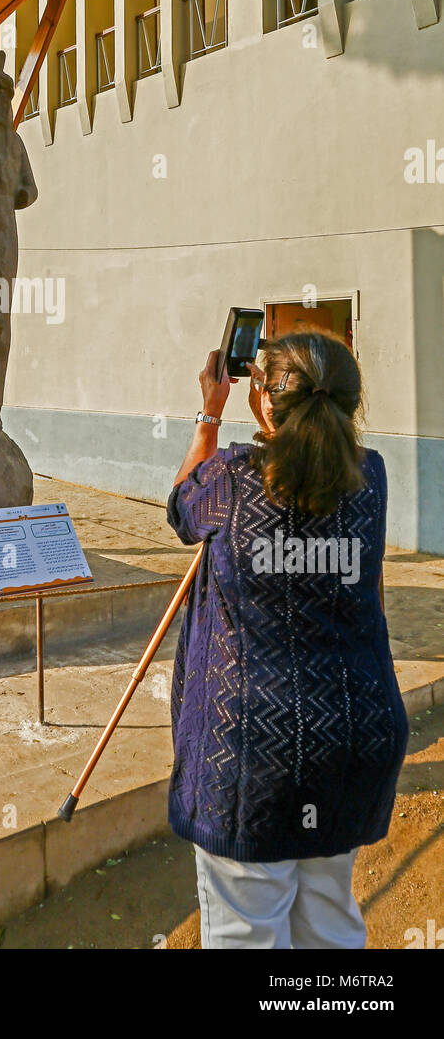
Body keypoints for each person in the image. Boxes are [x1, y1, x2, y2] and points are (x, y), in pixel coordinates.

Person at [166, 328, 409, 949]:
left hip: (250, 757)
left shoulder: (228, 480)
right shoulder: (370, 481)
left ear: (263, 403)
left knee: (247, 933)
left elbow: (179, 509)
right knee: (328, 925)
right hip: (351, 740)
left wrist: (208, 415)